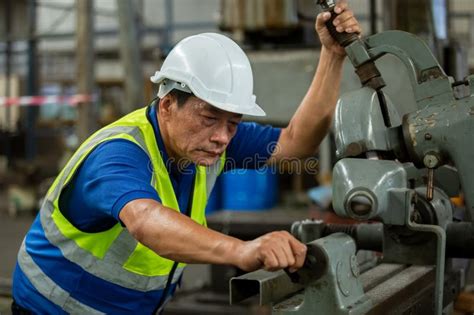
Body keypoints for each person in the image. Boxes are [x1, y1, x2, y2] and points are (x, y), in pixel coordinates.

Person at [12, 1, 360, 314]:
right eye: (209, 119)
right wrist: (242, 250)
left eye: (233, 123)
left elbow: (296, 142)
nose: (223, 136)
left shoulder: (214, 139)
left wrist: (332, 56)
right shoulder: (118, 153)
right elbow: (146, 221)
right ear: (167, 105)